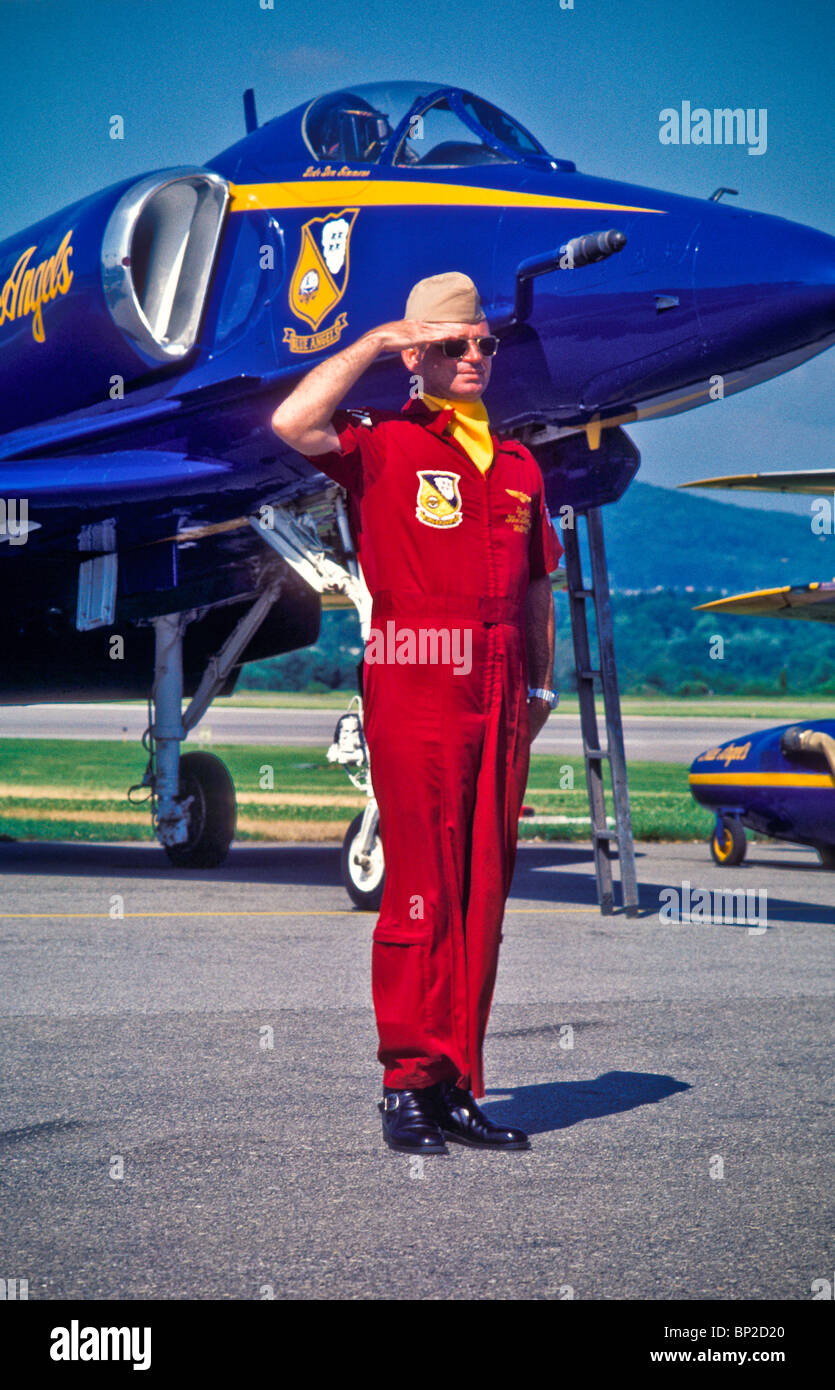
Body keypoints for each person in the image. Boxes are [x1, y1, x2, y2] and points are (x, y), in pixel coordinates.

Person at [271, 271, 562, 1155]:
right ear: (416, 356)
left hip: (501, 682)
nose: (473, 356)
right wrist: (368, 342)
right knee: (423, 885)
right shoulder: (381, 444)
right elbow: (292, 424)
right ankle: (406, 1083)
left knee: (481, 891)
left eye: (482, 343)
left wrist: (541, 689)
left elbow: (539, 585)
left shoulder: (517, 465)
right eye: (451, 345)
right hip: (416, 669)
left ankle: (455, 1085)